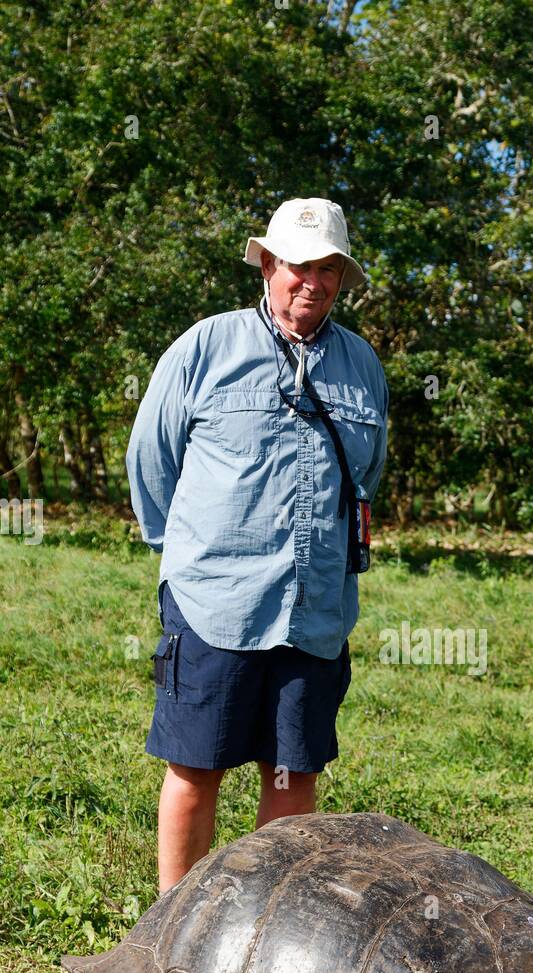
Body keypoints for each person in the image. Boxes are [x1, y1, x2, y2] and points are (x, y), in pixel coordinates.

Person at [126, 197, 388, 892]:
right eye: (300, 265)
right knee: (195, 767)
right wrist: (189, 555)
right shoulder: (206, 347)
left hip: (316, 607)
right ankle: (173, 925)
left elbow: (367, 473)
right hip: (215, 601)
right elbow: (150, 462)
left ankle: (271, 928)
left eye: (329, 268)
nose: (314, 281)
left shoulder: (362, 366)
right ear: (268, 265)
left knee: (294, 773)